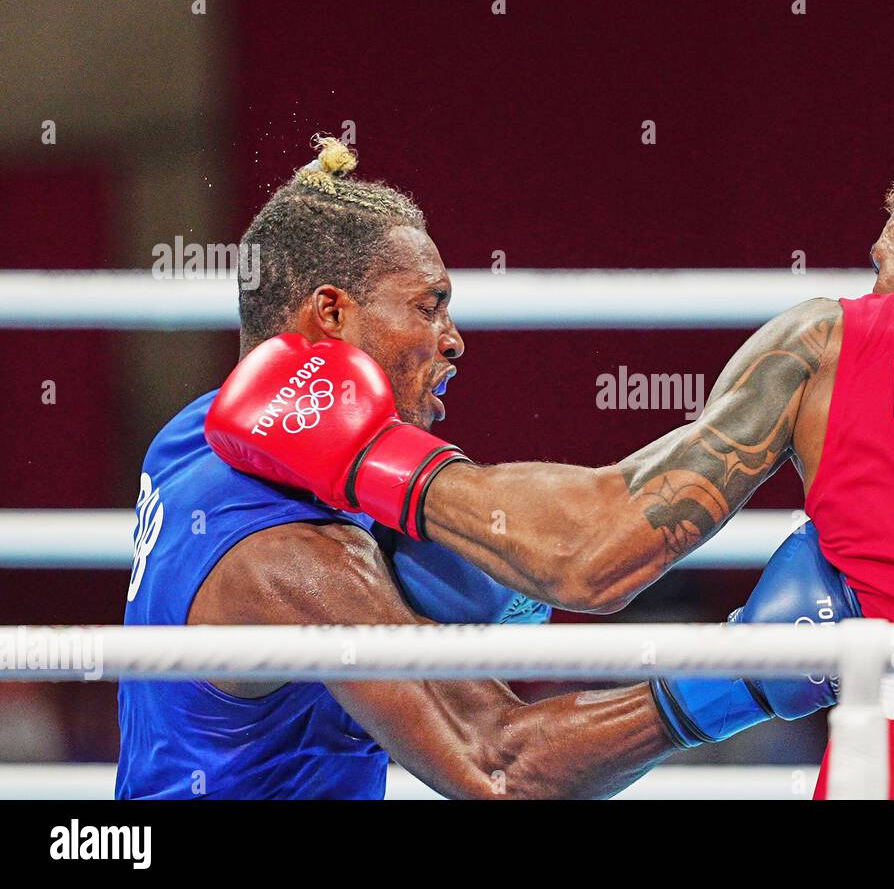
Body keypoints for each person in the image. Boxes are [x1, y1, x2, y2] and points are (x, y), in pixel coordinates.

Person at [210, 129, 894, 798]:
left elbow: (594, 557)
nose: (873, 282)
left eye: (882, 256)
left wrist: (367, 460)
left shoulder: (839, 340)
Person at [116, 138, 856, 799]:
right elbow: (501, 767)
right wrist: (745, 678)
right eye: (428, 306)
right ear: (331, 316)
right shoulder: (293, 560)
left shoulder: (196, 433)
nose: (453, 340)